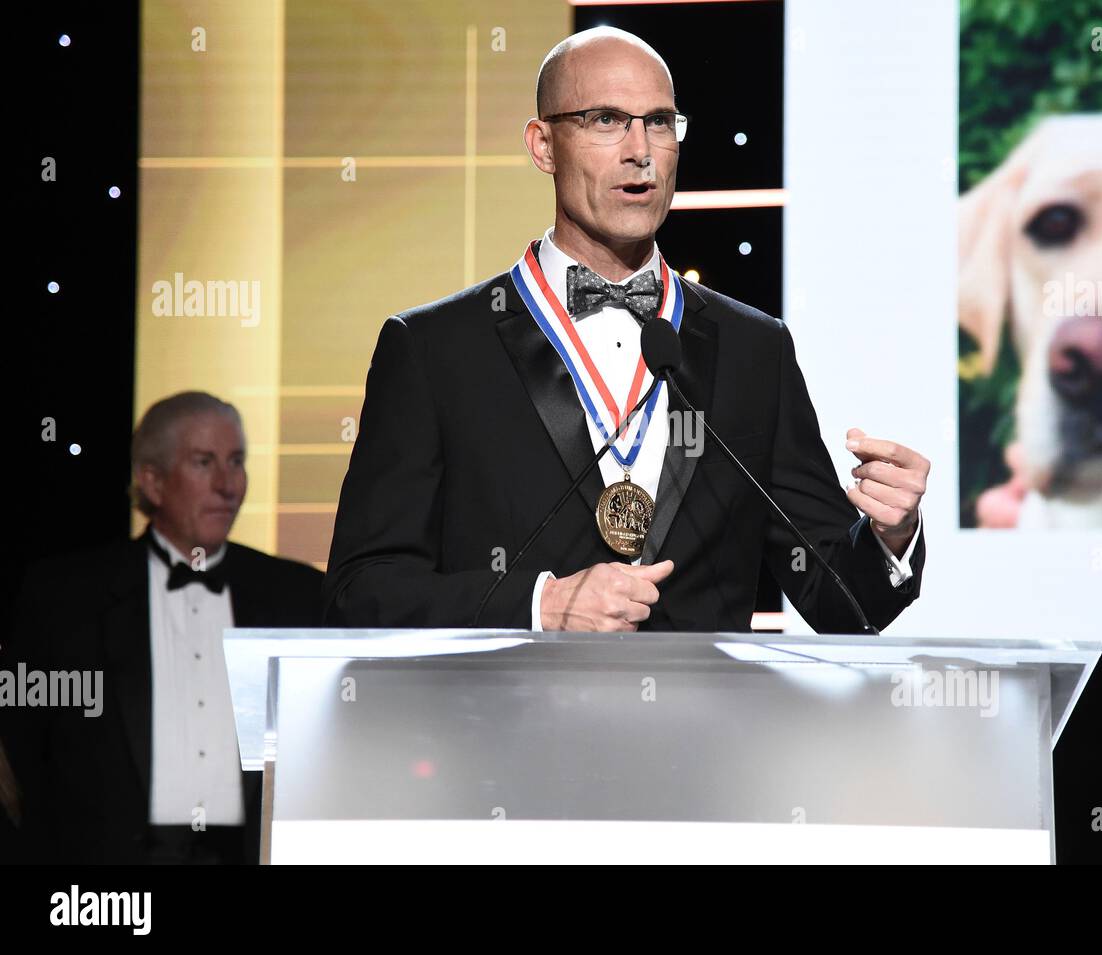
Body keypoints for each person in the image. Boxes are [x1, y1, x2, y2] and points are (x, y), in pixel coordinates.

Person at [323, 27, 929, 634]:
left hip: (699, 726)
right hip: (509, 723)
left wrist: (889, 537)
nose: (640, 149)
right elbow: (362, 592)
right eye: (606, 120)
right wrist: (539, 607)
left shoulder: (755, 349)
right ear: (543, 146)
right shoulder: (435, 350)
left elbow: (840, 603)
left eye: (660, 122)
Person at [0, 391, 323, 863]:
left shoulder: (297, 595)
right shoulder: (65, 597)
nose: (227, 484)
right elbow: (21, 757)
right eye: (203, 462)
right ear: (151, 481)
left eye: (235, 462)